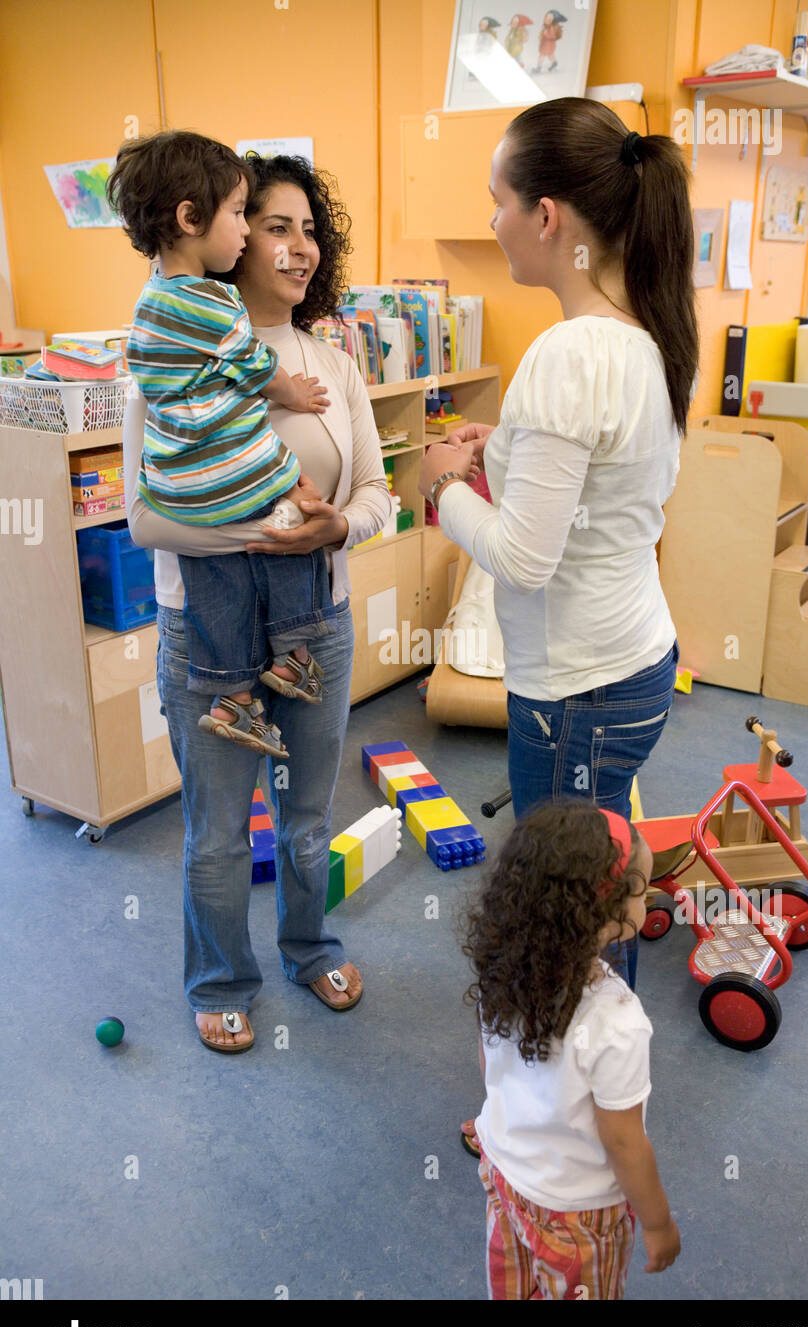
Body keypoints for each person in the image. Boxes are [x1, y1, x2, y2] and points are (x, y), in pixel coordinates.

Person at [419, 98, 698, 997]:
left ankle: (566, 1103)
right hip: (635, 661)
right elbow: (601, 486)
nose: (492, 222)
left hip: (577, 690)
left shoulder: (566, 354)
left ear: (547, 217)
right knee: (600, 865)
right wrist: (505, 446)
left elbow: (526, 558)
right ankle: (591, 1081)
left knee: (564, 904)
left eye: (497, 199)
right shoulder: (644, 334)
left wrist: (443, 486)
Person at [124, 153, 391, 1051]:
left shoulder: (334, 359)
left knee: (309, 821)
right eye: (274, 225)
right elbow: (144, 519)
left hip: (317, 616)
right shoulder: (176, 349)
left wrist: (333, 531)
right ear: (226, 236)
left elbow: (379, 499)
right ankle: (219, 979)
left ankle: (309, 949)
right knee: (218, 833)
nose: (298, 246)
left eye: (310, 229)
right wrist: (263, 537)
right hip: (205, 632)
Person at [110, 133, 338, 759]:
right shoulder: (215, 300)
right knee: (293, 495)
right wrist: (292, 394)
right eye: (245, 216)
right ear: (190, 218)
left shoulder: (148, 305)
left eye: (309, 230)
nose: (240, 232)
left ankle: (232, 696)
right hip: (231, 472)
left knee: (217, 579)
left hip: (180, 488)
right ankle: (294, 654)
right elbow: (256, 366)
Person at [463, 799, 680, 1300]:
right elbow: (624, 1143)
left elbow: (488, 1060)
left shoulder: (503, 964)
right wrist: (658, 1222)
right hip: (577, 1215)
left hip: (502, 1173)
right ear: (606, 916)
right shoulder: (617, 1021)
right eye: (644, 890)